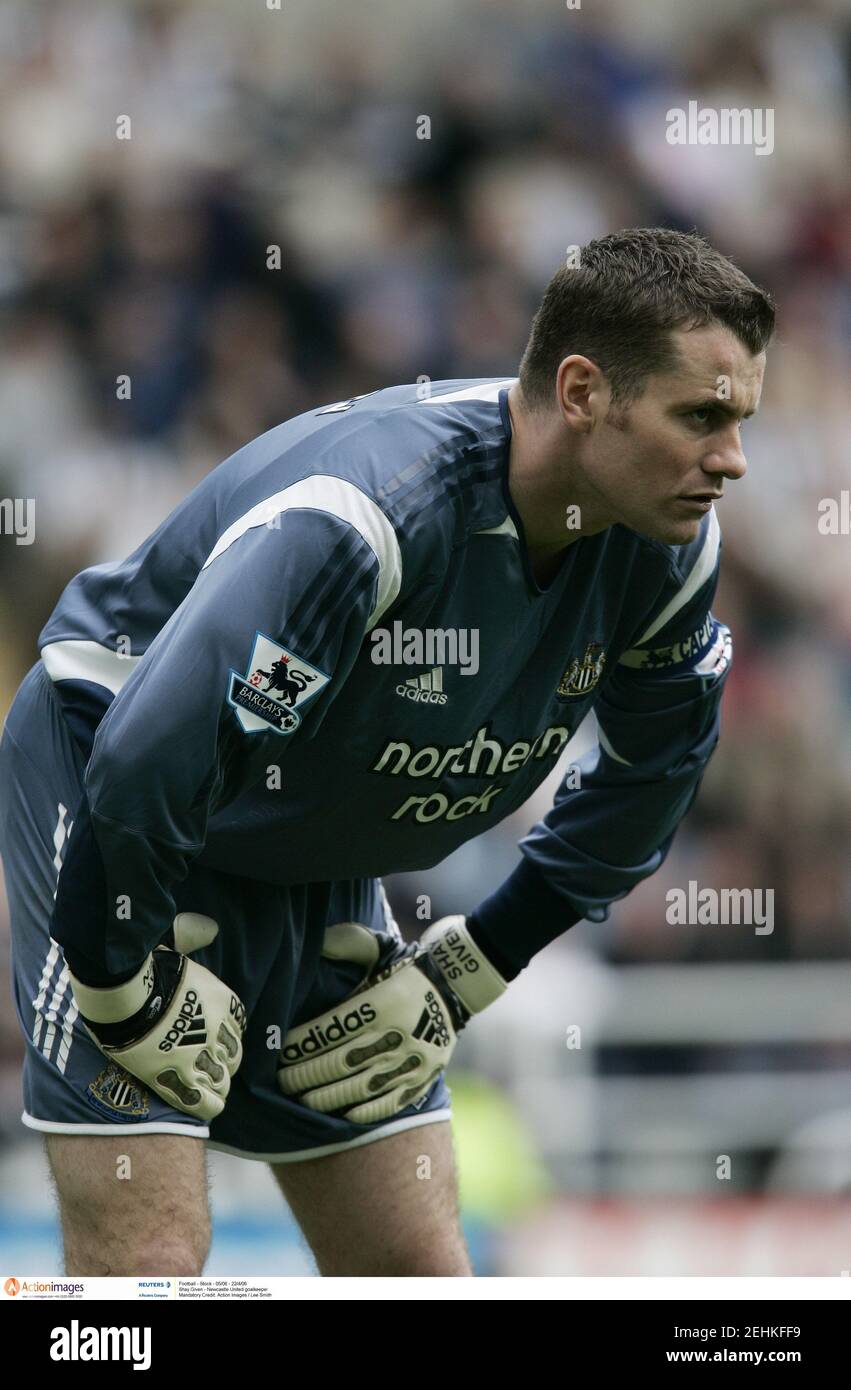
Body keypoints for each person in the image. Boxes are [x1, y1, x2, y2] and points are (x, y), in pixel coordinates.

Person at [0, 228, 773, 1276]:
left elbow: (652, 776)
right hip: (110, 813)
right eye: (701, 417)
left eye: (740, 421)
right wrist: (114, 976)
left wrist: (472, 964)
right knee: (152, 1259)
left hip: (304, 840)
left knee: (414, 1266)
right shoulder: (364, 518)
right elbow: (146, 757)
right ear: (583, 390)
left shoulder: (668, 545)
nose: (730, 458)